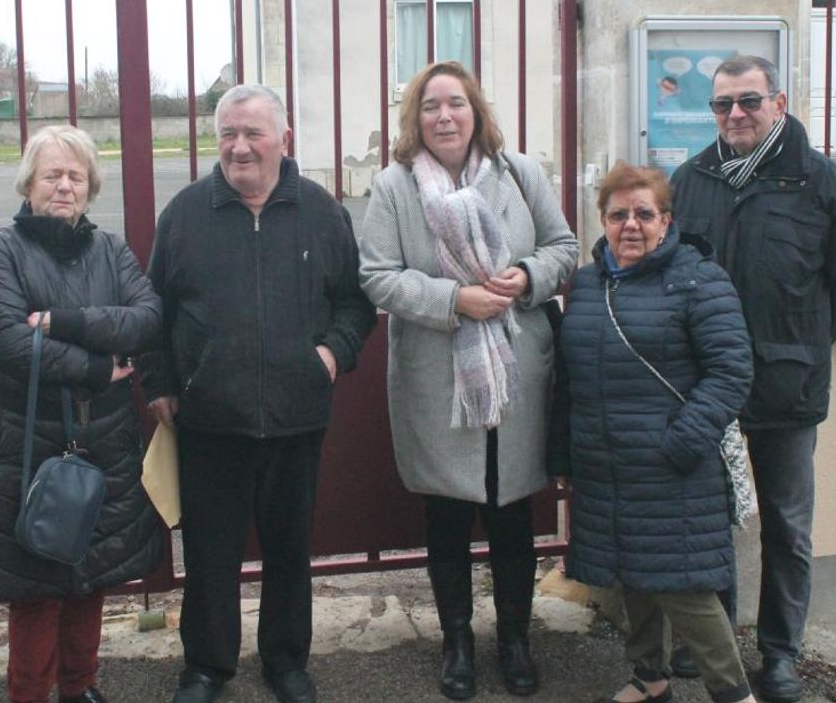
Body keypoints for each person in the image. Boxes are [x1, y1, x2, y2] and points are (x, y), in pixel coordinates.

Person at [138, 84, 376, 703]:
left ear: (284, 141)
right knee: (211, 555)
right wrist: (161, 383)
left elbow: (355, 304)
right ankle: (206, 667)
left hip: (298, 419)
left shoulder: (322, 212)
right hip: (210, 419)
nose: (239, 148)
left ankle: (286, 662)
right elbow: (153, 309)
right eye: (227, 134)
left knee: (290, 552)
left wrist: (329, 355)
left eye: (253, 134)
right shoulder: (185, 214)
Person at [359, 61, 580, 700]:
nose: (444, 116)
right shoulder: (395, 187)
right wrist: (455, 299)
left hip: (516, 372)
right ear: (415, 120)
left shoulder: (520, 175)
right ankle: (458, 642)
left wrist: (527, 278)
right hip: (438, 374)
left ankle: (514, 638)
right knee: (448, 516)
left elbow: (564, 247)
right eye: (430, 107)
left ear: (476, 110)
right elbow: (376, 275)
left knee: (514, 516)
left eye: (456, 103)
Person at [670, 55, 836, 702]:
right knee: (712, 520)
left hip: (789, 389)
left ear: (778, 103)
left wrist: (805, 341)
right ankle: (716, 640)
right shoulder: (691, 179)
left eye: (748, 101)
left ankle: (781, 654)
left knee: (787, 525)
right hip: (710, 390)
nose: (735, 114)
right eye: (722, 104)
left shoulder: (819, 182)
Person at [0, 124, 164, 703]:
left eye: (76, 176)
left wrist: (60, 322)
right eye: (52, 174)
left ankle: (81, 688)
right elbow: (6, 342)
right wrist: (100, 368)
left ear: (90, 186)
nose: (64, 187)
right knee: (37, 586)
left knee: (90, 576)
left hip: (103, 436)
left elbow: (146, 319)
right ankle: (30, 694)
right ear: (29, 182)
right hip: (25, 442)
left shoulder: (110, 250)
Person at [550, 162, 756, 703]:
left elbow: (732, 369)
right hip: (606, 464)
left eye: (645, 213)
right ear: (602, 220)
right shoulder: (589, 282)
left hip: (670, 466)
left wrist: (682, 440)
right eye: (619, 215)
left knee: (682, 587)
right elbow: (570, 376)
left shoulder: (698, 279)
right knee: (630, 573)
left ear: (666, 220)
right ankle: (650, 677)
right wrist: (569, 452)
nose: (631, 225)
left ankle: (734, 693)